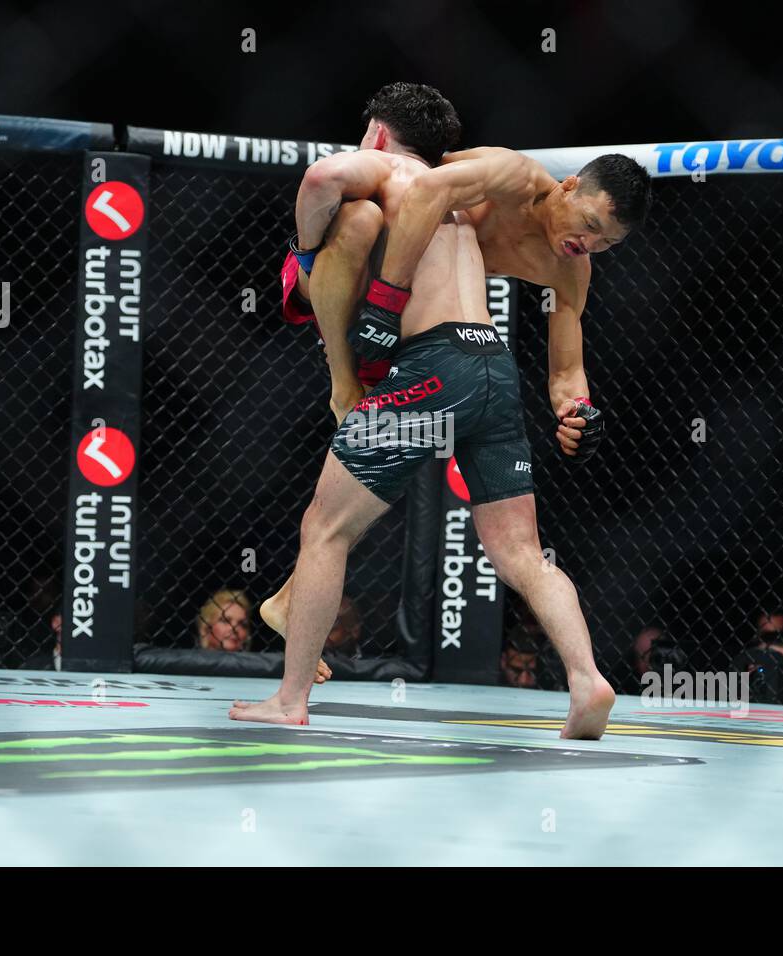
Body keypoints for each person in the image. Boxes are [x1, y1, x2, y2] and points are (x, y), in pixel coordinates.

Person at [232, 92, 631, 739]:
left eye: (604, 243)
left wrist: (316, 264)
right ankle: (588, 681)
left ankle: (290, 697)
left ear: (379, 138)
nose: (586, 245)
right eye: (589, 226)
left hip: (435, 371)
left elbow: (321, 177)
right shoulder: (484, 184)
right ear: (567, 189)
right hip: (494, 371)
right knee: (522, 551)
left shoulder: (394, 173)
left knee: (326, 528)